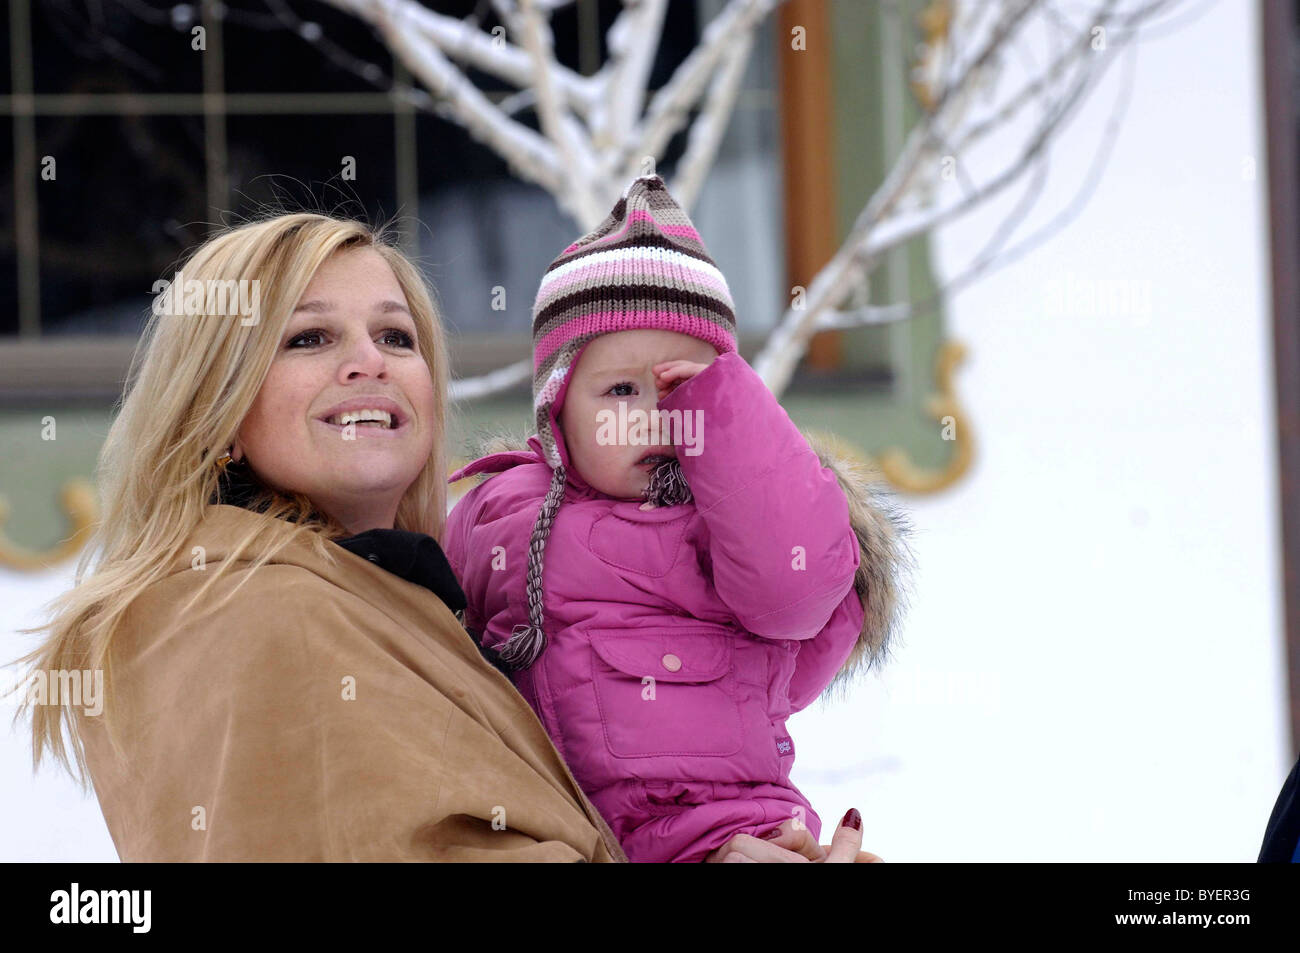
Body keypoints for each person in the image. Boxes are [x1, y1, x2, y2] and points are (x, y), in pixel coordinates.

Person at [14, 209, 874, 863]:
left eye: (397, 335)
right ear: (219, 412)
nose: (370, 361)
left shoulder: (412, 597)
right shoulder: (248, 609)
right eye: (309, 337)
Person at [444, 175, 910, 862]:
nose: (655, 415)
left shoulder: (729, 524)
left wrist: (726, 417)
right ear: (557, 409)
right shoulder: (499, 509)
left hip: (723, 831)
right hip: (552, 833)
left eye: (683, 389)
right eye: (619, 389)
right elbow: (419, 641)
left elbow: (794, 594)